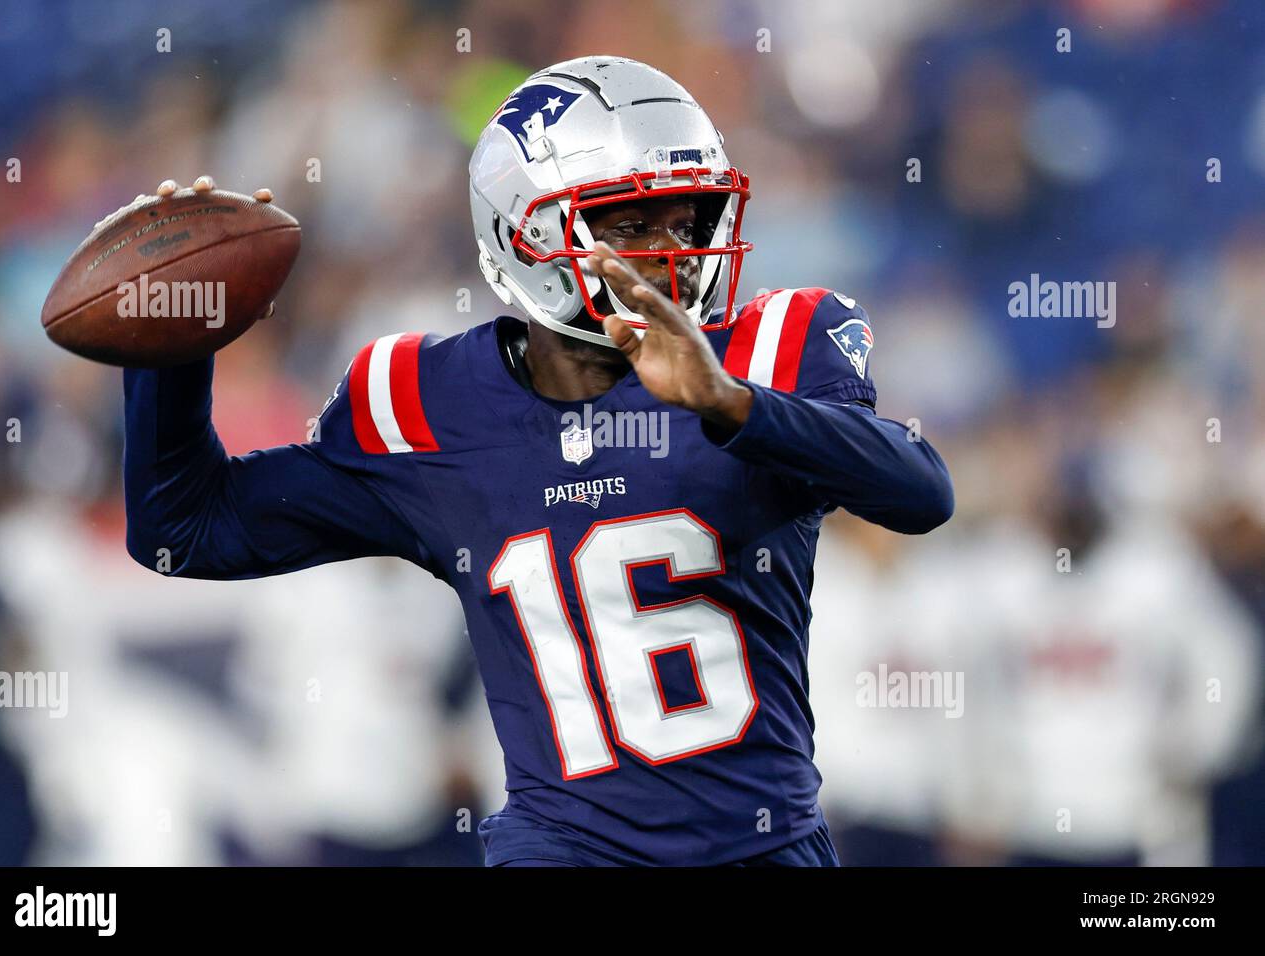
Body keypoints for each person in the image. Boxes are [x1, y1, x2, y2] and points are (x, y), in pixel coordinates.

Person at [116, 56, 953, 866]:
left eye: (688, 218)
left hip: (767, 844)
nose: (673, 250)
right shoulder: (426, 400)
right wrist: (172, 350)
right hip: (562, 848)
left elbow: (920, 493)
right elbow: (185, 531)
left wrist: (729, 403)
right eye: (630, 223)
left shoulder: (769, 352)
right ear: (529, 233)